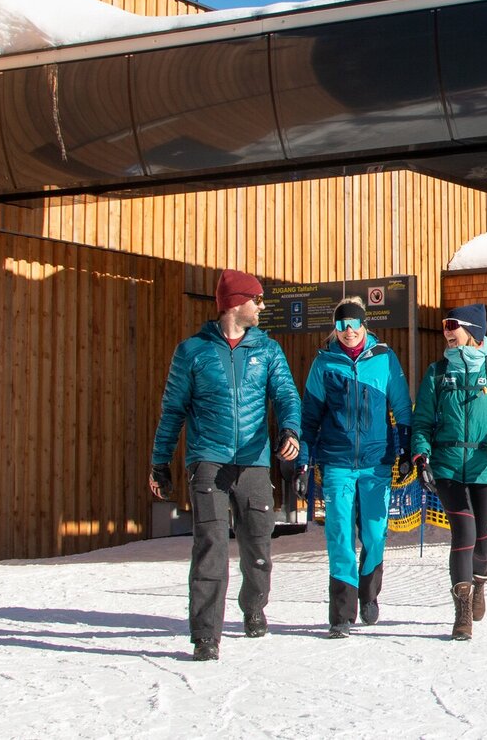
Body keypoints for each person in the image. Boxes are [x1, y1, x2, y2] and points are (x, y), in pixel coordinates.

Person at [148, 269, 302, 661]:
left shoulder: (268, 351)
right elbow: (173, 410)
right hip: (208, 461)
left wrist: (290, 430)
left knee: (257, 544)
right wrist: (160, 462)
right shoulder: (192, 351)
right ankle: (205, 634)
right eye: (258, 299)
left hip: (253, 463)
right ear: (236, 302)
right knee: (211, 545)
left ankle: (254, 606)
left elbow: (286, 395)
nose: (263, 306)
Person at [299, 298, 413, 638]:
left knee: (375, 534)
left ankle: (369, 593)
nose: (347, 331)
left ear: (364, 325)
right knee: (339, 534)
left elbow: (402, 408)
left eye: (353, 325)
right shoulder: (324, 363)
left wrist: (406, 450)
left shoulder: (383, 358)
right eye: (340, 325)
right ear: (334, 329)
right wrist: (303, 460)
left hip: (377, 462)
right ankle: (341, 612)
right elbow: (309, 417)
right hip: (336, 462)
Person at [409, 303, 487, 641]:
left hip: (485, 467)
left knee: (484, 544)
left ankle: (480, 581)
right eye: (444, 325)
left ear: (472, 330)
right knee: (464, 532)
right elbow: (423, 420)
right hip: (446, 466)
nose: (446, 331)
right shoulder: (437, 373)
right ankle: (461, 614)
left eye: (451, 325)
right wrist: (421, 457)